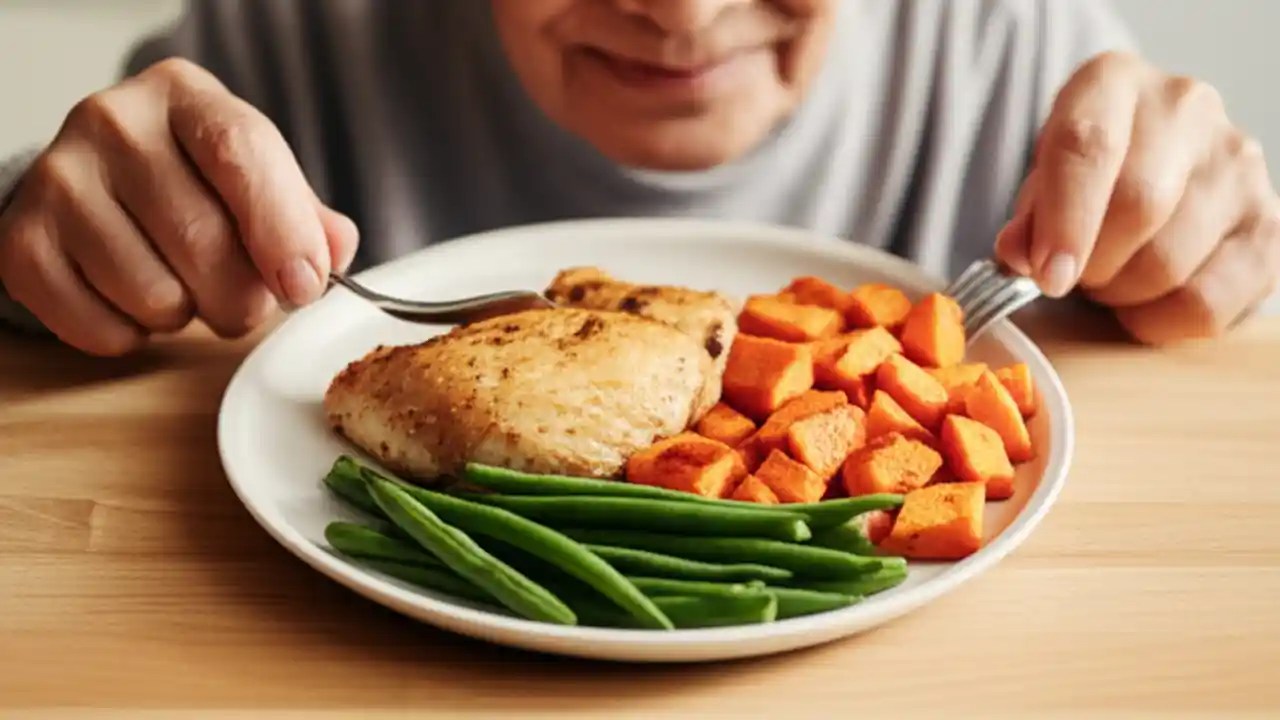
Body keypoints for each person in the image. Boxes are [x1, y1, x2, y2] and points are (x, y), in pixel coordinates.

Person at [0, 1, 1275, 357]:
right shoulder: (279, 41)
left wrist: (1211, 252)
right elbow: (63, 241)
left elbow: (1206, 290)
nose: (679, 15)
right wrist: (27, 238)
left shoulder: (1014, 41)